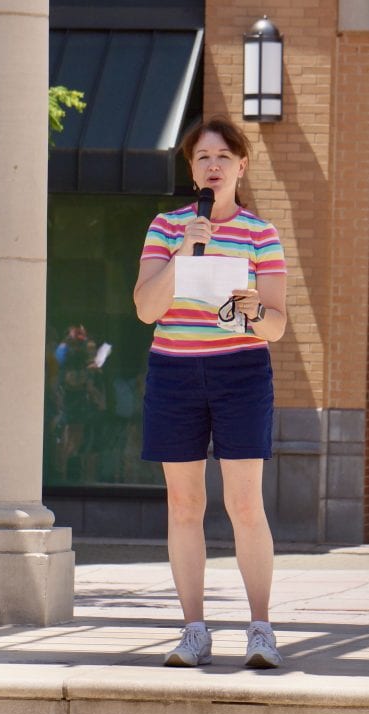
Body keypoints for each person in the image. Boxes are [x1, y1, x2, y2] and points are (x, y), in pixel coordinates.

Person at [133, 116, 288, 669]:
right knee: (184, 503)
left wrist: (253, 310)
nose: (213, 165)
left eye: (224, 156)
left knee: (244, 503)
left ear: (242, 166)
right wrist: (183, 253)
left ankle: (261, 629)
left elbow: (276, 326)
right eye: (202, 157)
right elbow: (147, 308)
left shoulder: (260, 234)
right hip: (175, 373)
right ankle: (193, 630)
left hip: (241, 372)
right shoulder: (167, 227)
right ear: (191, 167)